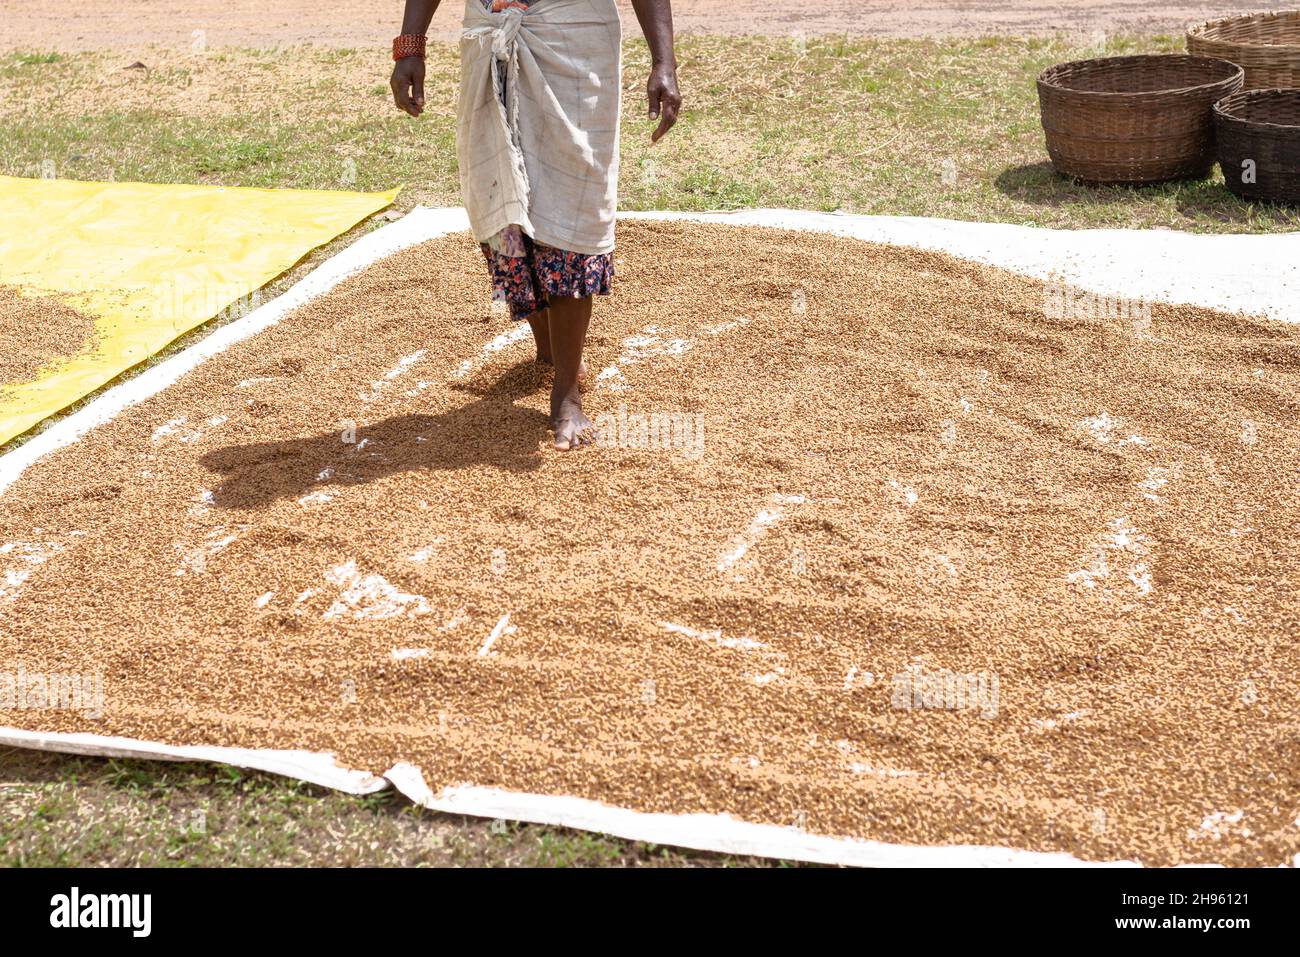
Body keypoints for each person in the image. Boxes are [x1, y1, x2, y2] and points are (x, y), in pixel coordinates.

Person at [391, 0, 681, 450]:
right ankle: (548, 342)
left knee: (572, 208)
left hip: (573, 41)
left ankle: (566, 391)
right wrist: (410, 47)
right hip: (491, 39)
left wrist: (664, 61)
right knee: (502, 200)